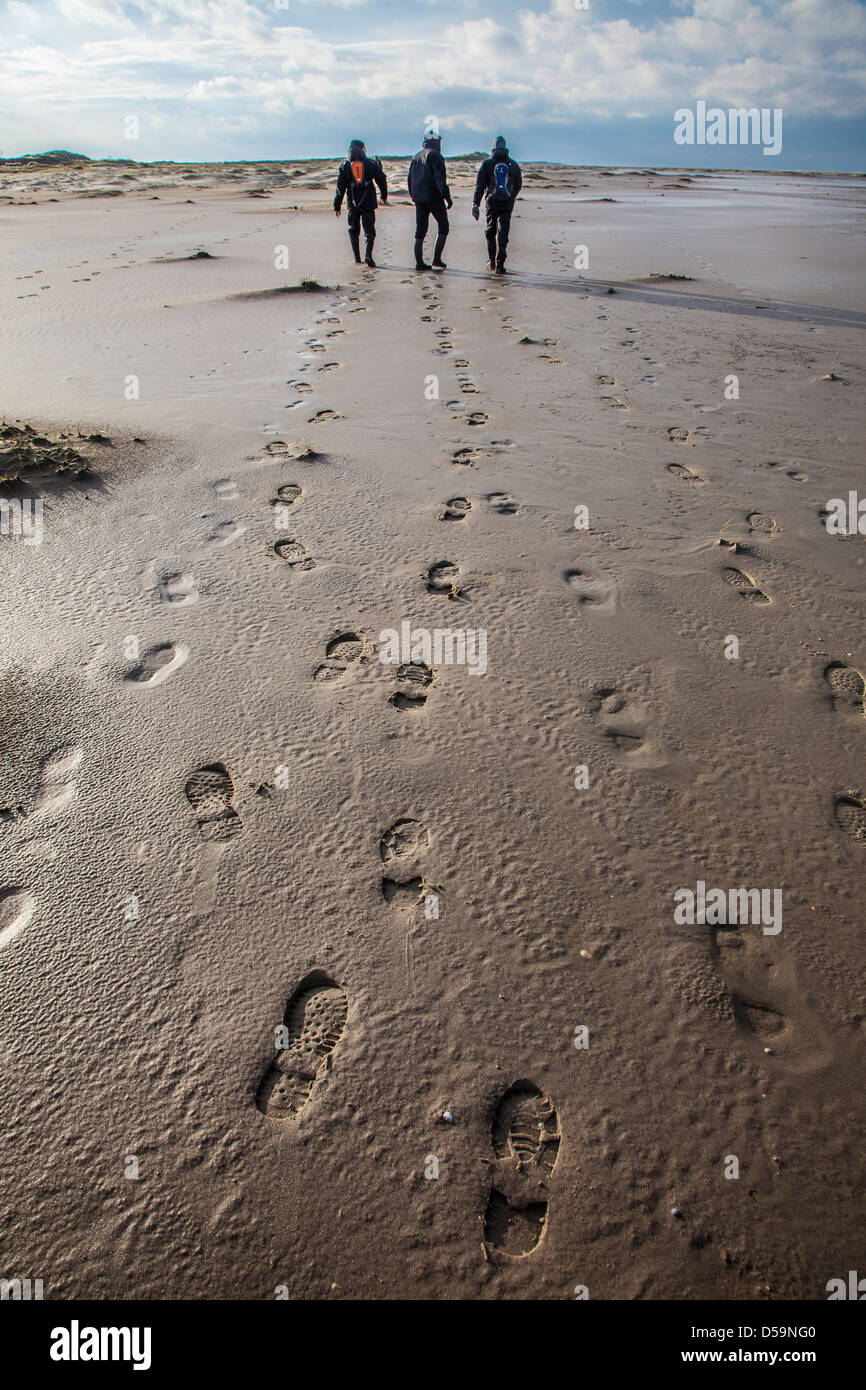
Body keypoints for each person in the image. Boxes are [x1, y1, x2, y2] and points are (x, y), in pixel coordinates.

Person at [472, 135, 523, 274]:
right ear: (505, 147)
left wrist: (475, 203)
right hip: (507, 203)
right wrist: (512, 196)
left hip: (491, 203)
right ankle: (500, 264)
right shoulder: (513, 164)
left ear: (493, 147)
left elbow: (480, 186)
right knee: (503, 232)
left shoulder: (487, 164)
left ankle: (492, 261)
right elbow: (518, 183)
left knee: (490, 231)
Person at [334, 139, 388, 267]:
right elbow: (381, 179)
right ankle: (368, 255)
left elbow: (340, 188)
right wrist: (384, 195)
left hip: (352, 203)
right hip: (368, 201)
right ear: (362, 149)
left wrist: (337, 205)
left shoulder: (345, 166)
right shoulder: (371, 163)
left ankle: (357, 258)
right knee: (369, 231)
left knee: (353, 230)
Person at [407, 121, 452, 271]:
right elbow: (440, 179)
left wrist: (413, 195)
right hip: (433, 196)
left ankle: (419, 262)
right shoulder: (436, 156)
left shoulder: (416, 156)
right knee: (443, 226)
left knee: (420, 230)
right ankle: (437, 259)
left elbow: (409, 178)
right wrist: (447, 197)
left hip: (419, 197)